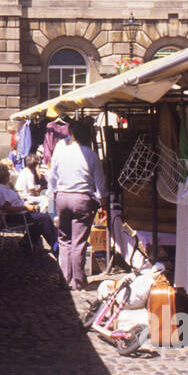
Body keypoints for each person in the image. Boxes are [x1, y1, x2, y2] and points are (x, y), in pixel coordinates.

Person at [48, 121, 107, 290]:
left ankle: (64, 278)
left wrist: (54, 194)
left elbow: (52, 176)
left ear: (71, 132)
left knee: (64, 239)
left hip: (62, 197)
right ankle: (78, 281)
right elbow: (101, 184)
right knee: (78, 242)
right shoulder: (91, 155)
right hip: (82, 198)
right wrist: (104, 204)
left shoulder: (61, 152)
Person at [0, 166, 58, 249]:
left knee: (40, 218)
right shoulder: (1, 190)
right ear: (5, 178)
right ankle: (55, 245)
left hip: (15, 214)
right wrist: (25, 207)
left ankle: (27, 242)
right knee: (44, 218)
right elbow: (8, 208)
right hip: (14, 216)